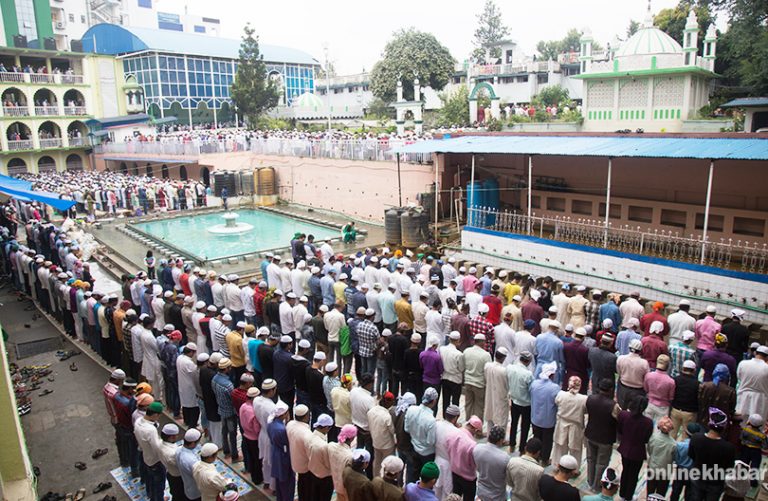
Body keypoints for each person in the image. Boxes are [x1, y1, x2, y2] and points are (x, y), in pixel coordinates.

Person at [689, 407, 737, 500]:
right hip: (716, 482)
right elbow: (729, 467)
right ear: (724, 427)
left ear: (709, 423)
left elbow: (691, 455)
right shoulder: (729, 448)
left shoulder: (696, 438)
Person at [585, 378, 620, 492]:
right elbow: (618, 418)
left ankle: (590, 482)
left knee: (591, 459)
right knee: (601, 463)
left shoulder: (590, 399)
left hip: (590, 434)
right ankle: (596, 486)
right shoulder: (613, 405)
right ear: (611, 390)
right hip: (605, 438)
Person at [617, 395, 654, 501]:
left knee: (625, 471)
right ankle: (628, 496)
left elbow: (619, 430)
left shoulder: (623, 415)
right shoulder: (648, 422)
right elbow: (647, 438)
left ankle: (622, 493)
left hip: (624, 448)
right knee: (633, 475)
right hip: (638, 452)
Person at [404, 387, 438, 484]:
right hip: (426, 454)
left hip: (413, 447)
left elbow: (406, 429)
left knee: (411, 475)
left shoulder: (411, 410)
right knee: (425, 480)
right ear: (434, 401)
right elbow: (430, 442)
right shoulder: (431, 420)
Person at [134, 401, 167, 501]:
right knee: (159, 485)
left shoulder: (138, 421)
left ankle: (150, 495)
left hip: (146, 456)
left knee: (150, 481)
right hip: (155, 461)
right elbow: (157, 447)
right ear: (155, 414)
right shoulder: (150, 430)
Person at [552, 376, 588, 466]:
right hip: (576, 426)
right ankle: (574, 469)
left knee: (559, 447)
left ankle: (557, 465)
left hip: (561, 424)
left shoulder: (561, 394)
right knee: (575, 450)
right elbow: (586, 411)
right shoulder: (583, 399)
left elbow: (557, 402)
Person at [446, 415, 482, 501]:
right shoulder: (472, 445)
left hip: (454, 472)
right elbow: (473, 464)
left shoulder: (454, 432)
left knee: (455, 496)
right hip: (468, 478)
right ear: (475, 430)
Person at [531, 361, 560, 466]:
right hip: (548, 421)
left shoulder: (534, 384)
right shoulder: (555, 388)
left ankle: (535, 456)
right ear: (552, 375)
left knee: (536, 438)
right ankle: (545, 460)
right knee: (547, 441)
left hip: (535, 417)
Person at [473, 425, 510, 501]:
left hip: (482, 491)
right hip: (497, 495)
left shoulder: (477, 448)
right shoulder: (504, 458)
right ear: (500, 440)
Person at [507, 350, 534, 453]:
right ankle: (522, 448)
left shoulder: (510, 368)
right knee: (525, 426)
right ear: (528, 361)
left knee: (514, 423)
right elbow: (531, 389)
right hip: (526, 404)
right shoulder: (528, 374)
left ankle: (512, 445)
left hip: (514, 401)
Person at [285, 404, 312, 500]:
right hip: (304, 462)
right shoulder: (306, 433)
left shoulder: (290, 424)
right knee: (306, 484)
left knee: (301, 481)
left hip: (293, 457)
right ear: (306, 416)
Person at [268, 402, 294, 501]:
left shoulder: (271, 423)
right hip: (283, 458)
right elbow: (286, 445)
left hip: (275, 453)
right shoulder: (281, 430)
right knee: (286, 483)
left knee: (279, 482)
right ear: (283, 414)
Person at [697, 363, 737, 428]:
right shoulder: (731, 391)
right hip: (720, 425)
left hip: (703, 421)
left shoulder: (704, 386)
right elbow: (731, 410)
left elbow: (698, 401)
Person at [434, 404, 460, 499]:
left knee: (436, 489)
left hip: (437, 460)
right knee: (446, 492)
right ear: (456, 418)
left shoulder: (437, 424)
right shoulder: (456, 432)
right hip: (448, 464)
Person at [463, 333, 491, 421]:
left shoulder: (466, 351)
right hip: (479, 384)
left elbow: (463, 366)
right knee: (479, 407)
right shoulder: (486, 355)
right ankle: (477, 429)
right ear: (482, 342)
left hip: (468, 382)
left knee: (468, 404)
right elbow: (488, 371)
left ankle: (468, 423)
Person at [736, 345, 768, 422]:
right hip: (760, 401)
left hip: (743, 397)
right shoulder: (766, 368)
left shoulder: (743, 363)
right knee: (756, 426)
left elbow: (739, 377)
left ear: (755, 353)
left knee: (739, 423)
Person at [647, 416, 677, 497]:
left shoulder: (653, 437)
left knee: (650, 491)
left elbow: (649, 450)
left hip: (652, 468)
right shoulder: (673, 444)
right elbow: (674, 458)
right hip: (665, 472)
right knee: (661, 494)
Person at [368, 391, 396, 477]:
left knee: (377, 462)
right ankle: (385, 480)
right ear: (388, 402)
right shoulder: (386, 416)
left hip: (376, 442)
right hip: (387, 445)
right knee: (387, 464)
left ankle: (376, 478)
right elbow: (392, 431)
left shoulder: (371, 411)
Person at [670, 422, 701, 501]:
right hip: (693, 472)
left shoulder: (680, 445)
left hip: (681, 470)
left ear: (686, 433)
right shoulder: (699, 447)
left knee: (676, 491)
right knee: (689, 493)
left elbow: (676, 458)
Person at [307, 414, 335, 501]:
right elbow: (328, 464)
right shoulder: (323, 446)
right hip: (324, 478)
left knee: (314, 496)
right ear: (326, 427)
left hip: (312, 473)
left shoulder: (310, 436)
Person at [671, 359, 700, 440]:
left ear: (683, 368)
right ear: (694, 370)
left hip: (675, 410)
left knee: (672, 433)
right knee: (686, 436)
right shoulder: (697, 384)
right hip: (689, 413)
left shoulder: (676, 380)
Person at [616, 338, 649, 409]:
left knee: (621, 408)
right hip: (638, 390)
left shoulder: (620, 358)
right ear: (640, 350)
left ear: (629, 347)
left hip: (623, 387)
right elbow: (646, 378)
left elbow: (619, 372)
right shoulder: (644, 363)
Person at [240, 386, 263, 485]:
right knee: (257, 459)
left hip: (246, 435)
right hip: (254, 438)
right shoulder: (253, 411)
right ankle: (258, 478)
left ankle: (254, 476)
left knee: (251, 457)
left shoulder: (243, 406)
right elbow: (256, 428)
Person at [483, 347, 509, 430]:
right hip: (500, 397)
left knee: (490, 418)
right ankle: (500, 440)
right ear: (504, 358)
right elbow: (507, 385)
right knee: (501, 420)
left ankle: (489, 437)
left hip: (490, 395)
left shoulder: (487, 366)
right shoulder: (503, 370)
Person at [644, 354, 676, 422]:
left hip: (649, 403)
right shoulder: (671, 381)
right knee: (659, 430)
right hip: (663, 407)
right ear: (667, 366)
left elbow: (646, 389)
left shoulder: (648, 375)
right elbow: (671, 397)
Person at [439, 331, 464, 416]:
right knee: (455, 401)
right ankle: (454, 417)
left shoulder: (442, 349)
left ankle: (445, 416)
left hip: (445, 377)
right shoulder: (459, 354)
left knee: (445, 399)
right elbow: (461, 368)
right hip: (455, 380)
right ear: (458, 340)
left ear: (449, 339)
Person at [157, 423, 183, 501]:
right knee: (179, 494)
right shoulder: (172, 453)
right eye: (176, 435)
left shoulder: (160, 443)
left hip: (170, 473)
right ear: (171, 437)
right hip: (177, 476)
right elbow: (180, 464)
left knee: (174, 492)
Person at [739, 414, 767, 486]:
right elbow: (765, 446)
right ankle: (753, 482)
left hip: (745, 449)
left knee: (744, 464)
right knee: (755, 466)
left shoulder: (745, 429)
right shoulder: (762, 435)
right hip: (756, 451)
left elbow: (741, 438)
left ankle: (740, 478)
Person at [176, 428, 203, 501]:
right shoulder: (191, 460)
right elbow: (200, 476)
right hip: (196, 491)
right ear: (193, 443)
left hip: (187, 486)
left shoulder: (178, 450)